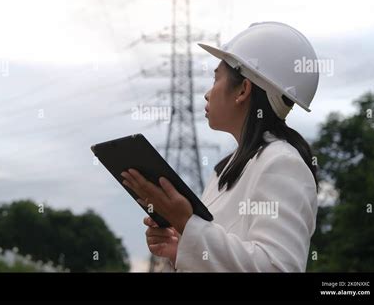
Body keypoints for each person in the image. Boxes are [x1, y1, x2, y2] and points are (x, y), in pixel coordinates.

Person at [121, 22, 319, 272]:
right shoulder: (225, 169)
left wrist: (186, 222)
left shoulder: (281, 163)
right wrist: (181, 250)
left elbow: (277, 268)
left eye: (216, 79)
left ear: (243, 90)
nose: (207, 93)